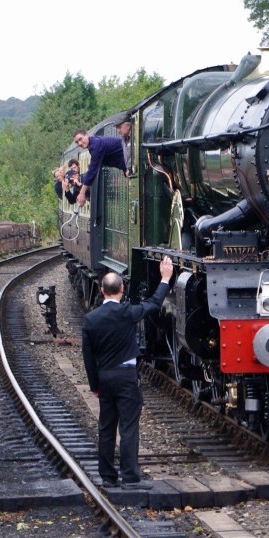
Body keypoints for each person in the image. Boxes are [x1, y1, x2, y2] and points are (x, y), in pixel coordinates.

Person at [81, 256, 174, 489]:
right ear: (122, 289)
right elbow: (154, 303)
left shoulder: (90, 320)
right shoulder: (128, 313)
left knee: (106, 427)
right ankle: (130, 477)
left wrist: (94, 385)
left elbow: (88, 358)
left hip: (104, 377)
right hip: (126, 378)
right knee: (129, 427)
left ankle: (107, 477)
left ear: (102, 291)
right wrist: (165, 279)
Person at [72, 129, 127, 206]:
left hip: (130, 159)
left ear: (86, 135)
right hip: (127, 162)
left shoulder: (96, 145)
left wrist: (82, 192)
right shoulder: (93, 143)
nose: (80, 143)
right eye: (77, 142)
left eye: (80, 139)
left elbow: (92, 170)